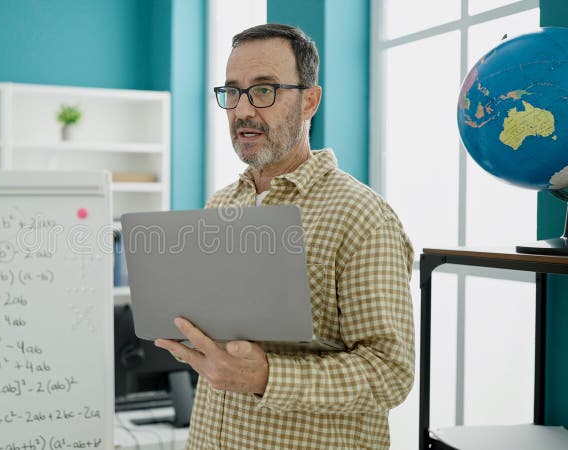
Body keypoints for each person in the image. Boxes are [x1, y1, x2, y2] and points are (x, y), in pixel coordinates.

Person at [154, 24, 415, 449]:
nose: (242, 111)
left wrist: (266, 376)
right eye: (233, 92)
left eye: (264, 91)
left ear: (310, 100)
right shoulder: (220, 206)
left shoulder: (361, 215)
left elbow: (390, 374)